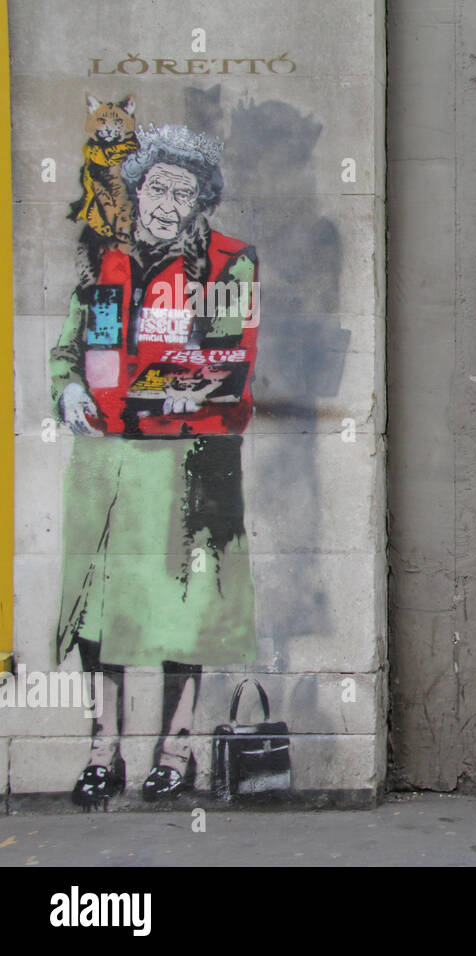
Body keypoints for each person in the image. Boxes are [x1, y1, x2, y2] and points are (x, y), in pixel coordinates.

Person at [50, 123, 259, 807]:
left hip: (187, 461)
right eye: (158, 186)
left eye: (184, 191)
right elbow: (69, 347)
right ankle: (101, 746)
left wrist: (175, 387)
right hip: (105, 460)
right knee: (97, 613)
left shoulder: (228, 262)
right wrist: (69, 387)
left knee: (183, 609)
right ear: (138, 187)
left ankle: (175, 748)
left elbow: (231, 359)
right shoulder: (100, 257)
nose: (168, 202)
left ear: (202, 201)